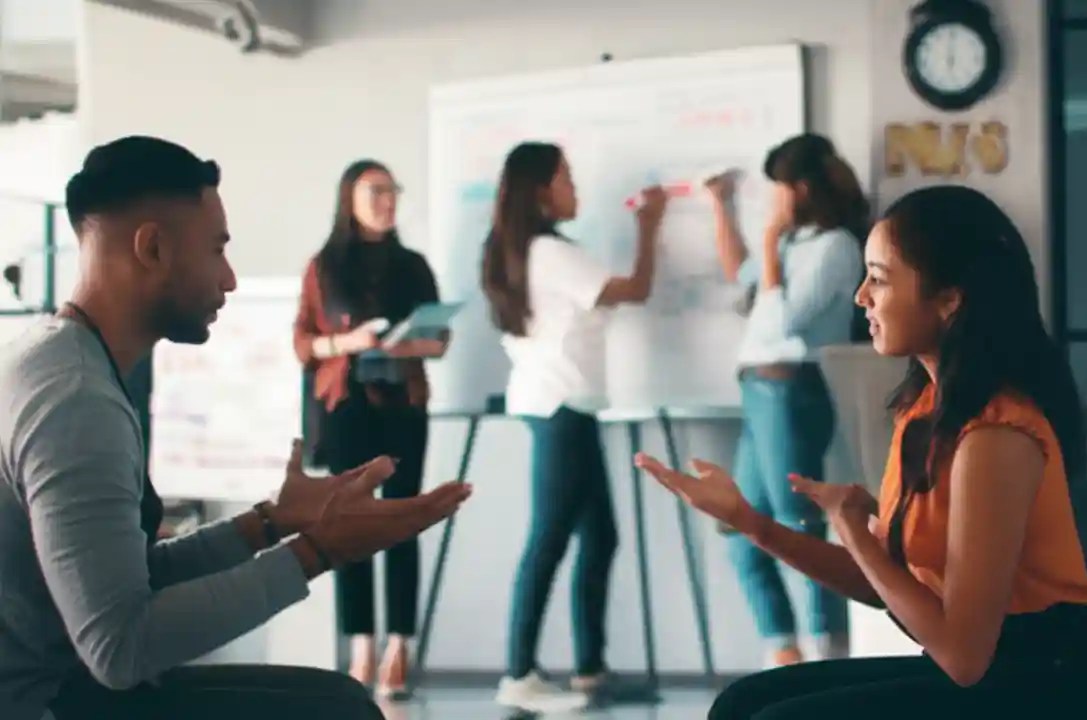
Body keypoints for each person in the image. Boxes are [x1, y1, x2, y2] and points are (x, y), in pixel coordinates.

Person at [0, 136, 471, 720]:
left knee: (340, 701)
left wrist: (268, 523)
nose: (229, 279)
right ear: (152, 248)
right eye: (217, 250)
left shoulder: (63, 360)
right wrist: (316, 552)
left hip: (70, 685)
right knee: (339, 711)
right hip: (46, 702)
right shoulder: (75, 400)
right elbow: (120, 647)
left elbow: (129, 578)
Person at [637, 186, 1087, 717]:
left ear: (950, 300)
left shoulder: (996, 436)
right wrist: (749, 521)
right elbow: (890, 588)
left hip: (1049, 684)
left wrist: (859, 534)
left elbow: (964, 658)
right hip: (982, 670)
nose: (861, 298)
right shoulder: (924, 412)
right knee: (743, 702)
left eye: (878, 278)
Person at [480, 142, 666, 713]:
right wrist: (649, 225)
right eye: (566, 178)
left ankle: (589, 669)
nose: (575, 188)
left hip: (567, 407)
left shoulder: (529, 251)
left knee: (598, 538)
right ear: (541, 190)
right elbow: (636, 289)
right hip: (560, 407)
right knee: (549, 539)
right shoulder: (549, 253)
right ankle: (518, 674)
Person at [703, 132, 870, 668]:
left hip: (793, 388)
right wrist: (723, 207)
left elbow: (784, 321)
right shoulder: (796, 245)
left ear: (800, 189)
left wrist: (772, 245)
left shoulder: (838, 246)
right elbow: (741, 276)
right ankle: (784, 650)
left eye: (776, 190)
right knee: (737, 526)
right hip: (758, 391)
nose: (771, 202)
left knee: (797, 522)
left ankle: (830, 651)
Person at [293, 159, 447, 697]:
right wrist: (349, 343)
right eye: (376, 191)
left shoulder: (413, 265)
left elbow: (440, 339)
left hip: (403, 404)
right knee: (351, 526)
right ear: (350, 199)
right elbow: (303, 344)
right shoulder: (325, 266)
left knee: (403, 518)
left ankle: (399, 646)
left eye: (392, 190)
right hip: (346, 405)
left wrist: (405, 345)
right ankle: (360, 646)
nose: (388, 200)